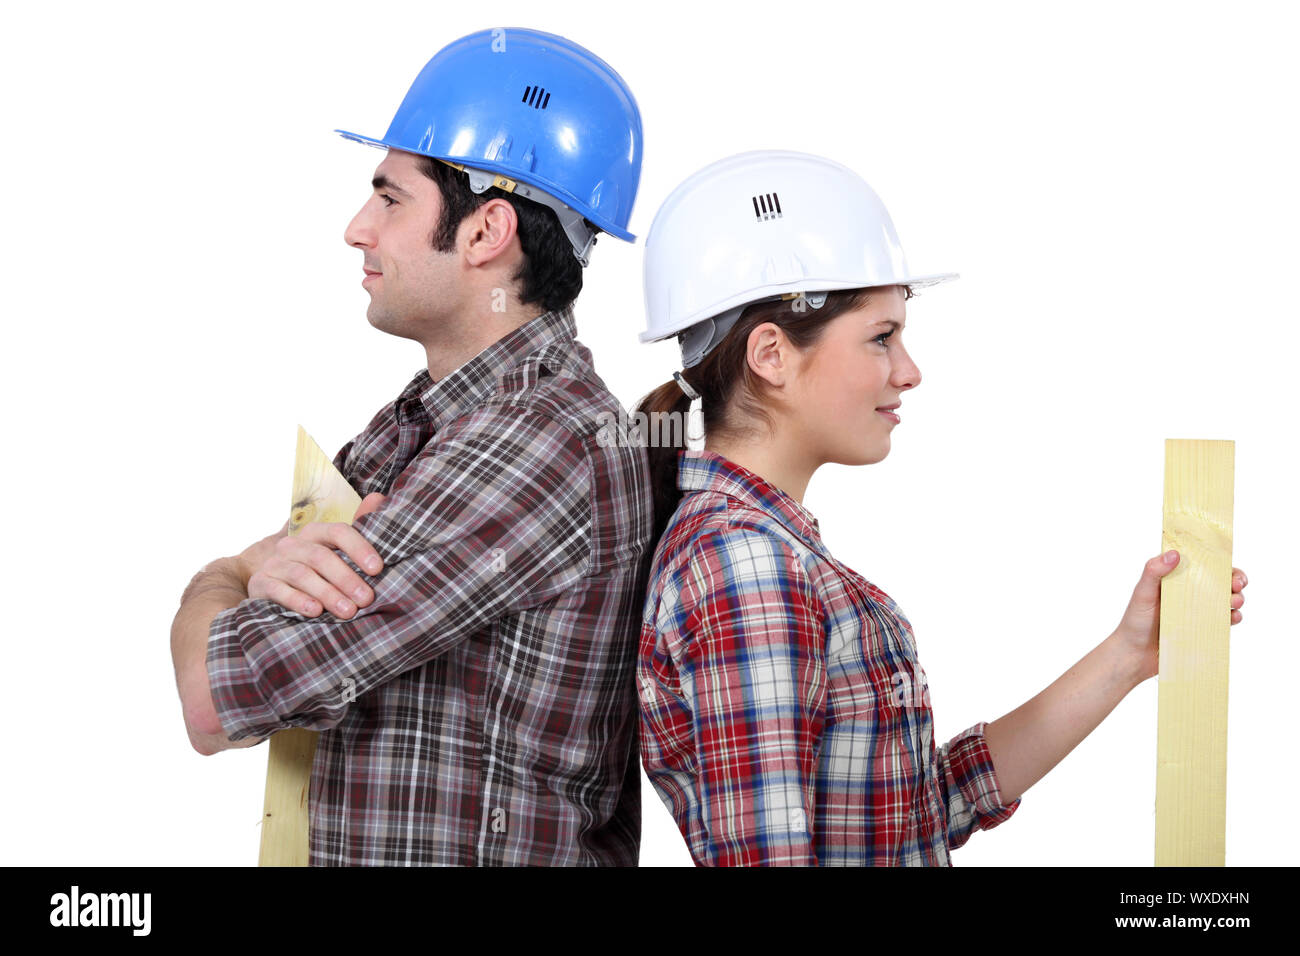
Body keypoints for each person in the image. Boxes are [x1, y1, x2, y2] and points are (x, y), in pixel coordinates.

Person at [632, 150, 1249, 866]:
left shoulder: (765, 551)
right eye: (881, 337)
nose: (909, 371)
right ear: (771, 354)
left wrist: (1127, 656)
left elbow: (922, 807)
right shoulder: (744, 566)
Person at [169, 28, 653, 866]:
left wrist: (225, 575)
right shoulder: (428, 422)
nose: (357, 229)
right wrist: (253, 576)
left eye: (391, 198)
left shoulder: (533, 446)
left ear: (485, 232)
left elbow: (217, 696)